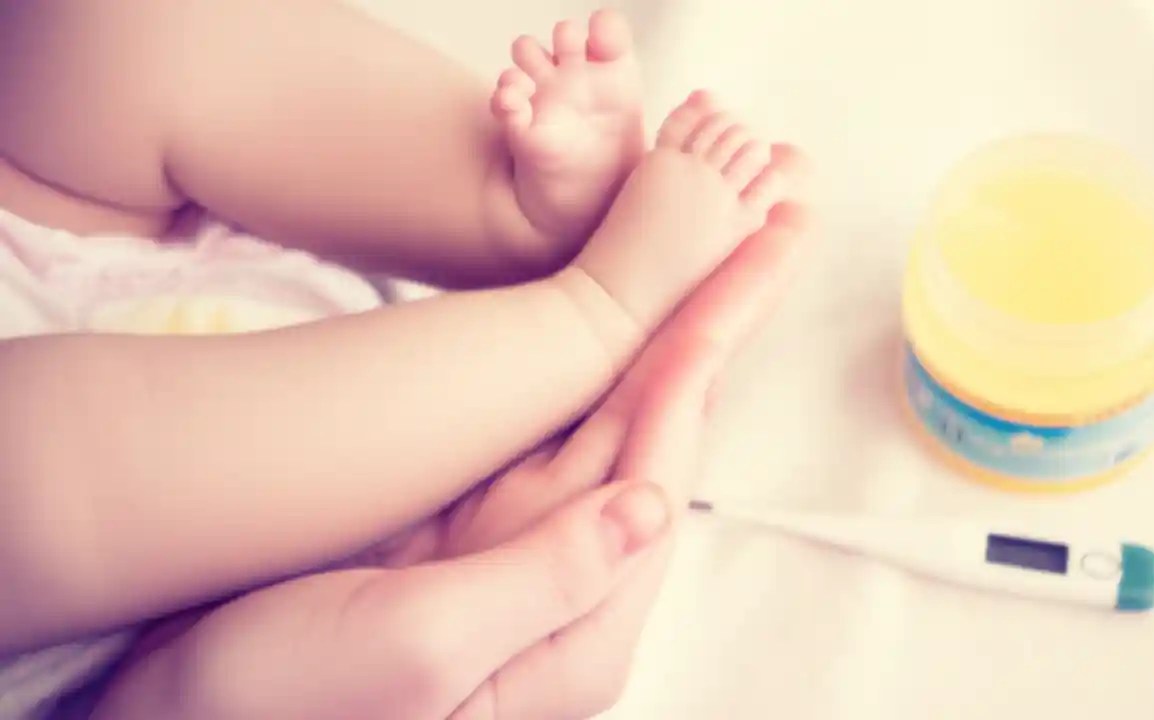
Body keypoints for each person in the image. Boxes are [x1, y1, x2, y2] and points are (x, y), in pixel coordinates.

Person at [0, 1, 808, 716]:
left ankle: (519, 223)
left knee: (104, 32)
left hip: (83, 224)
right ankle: (593, 311)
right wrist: (603, 307)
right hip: (111, 600)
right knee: (24, 481)